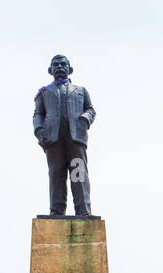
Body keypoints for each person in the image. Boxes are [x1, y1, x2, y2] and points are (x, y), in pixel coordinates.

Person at [33, 53, 96, 217]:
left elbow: (91, 110)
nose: (60, 67)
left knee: (78, 173)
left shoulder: (81, 91)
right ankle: (56, 210)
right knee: (56, 173)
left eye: (63, 64)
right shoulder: (44, 93)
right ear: (50, 70)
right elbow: (38, 114)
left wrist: (84, 119)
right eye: (56, 65)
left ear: (70, 69)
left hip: (75, 138)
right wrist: (39, 131)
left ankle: (83, 210)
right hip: (53, 139)